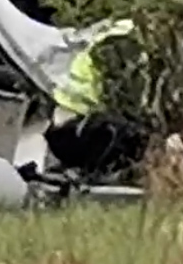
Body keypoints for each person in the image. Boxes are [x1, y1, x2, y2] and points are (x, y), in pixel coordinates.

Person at [43, 18, 150, 180]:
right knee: (131, 130)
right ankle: (94, 174)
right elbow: (121, 99)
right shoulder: (122, 44)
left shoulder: (118, 33)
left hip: (64, 127)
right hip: (78, 132)